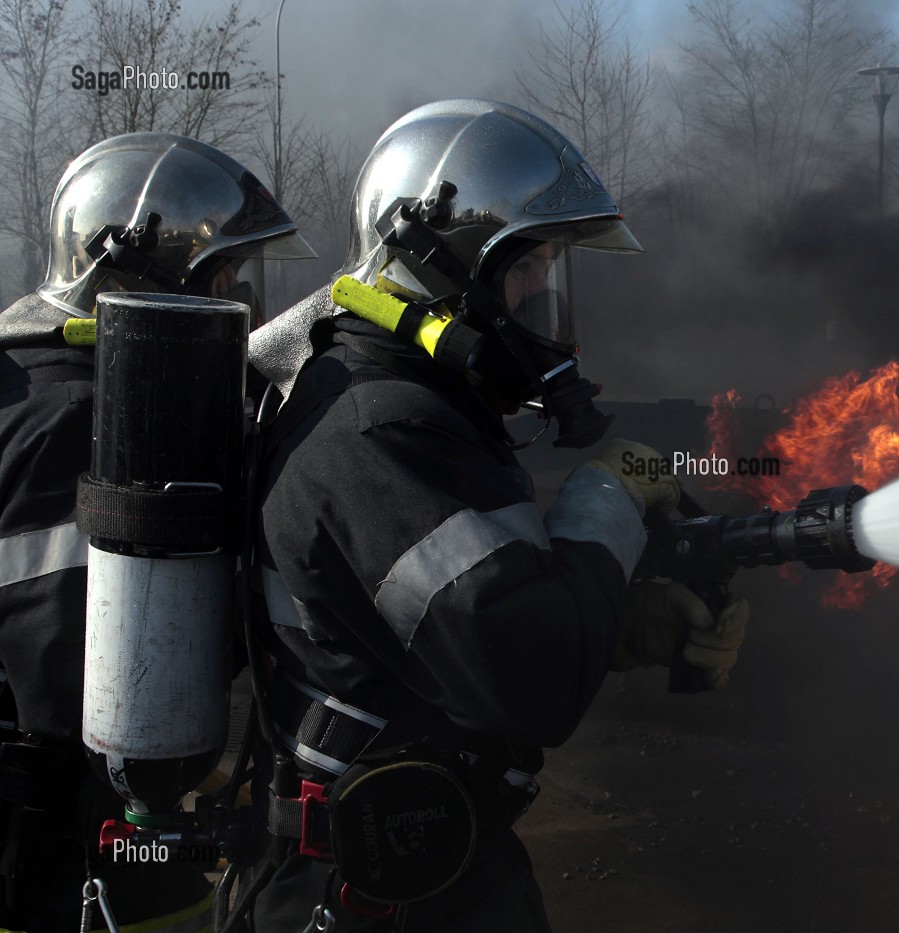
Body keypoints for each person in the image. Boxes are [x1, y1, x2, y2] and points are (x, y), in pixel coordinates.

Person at [246, 98, 747, 929]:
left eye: (551, 271)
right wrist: (608, 498)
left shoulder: (414, 408)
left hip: (430, 863)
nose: (542, 296)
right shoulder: (381, 428)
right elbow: (530, 680)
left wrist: (619, 620)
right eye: (525, 269)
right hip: (380, 890)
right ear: (442, 267)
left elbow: (449, 632)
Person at [0, 132, 314, 932]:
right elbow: (89, 669)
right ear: (138, 274)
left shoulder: (27, 379)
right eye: (218, 278)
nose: (237, 303)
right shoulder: (89, 420)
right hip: (68, 851)